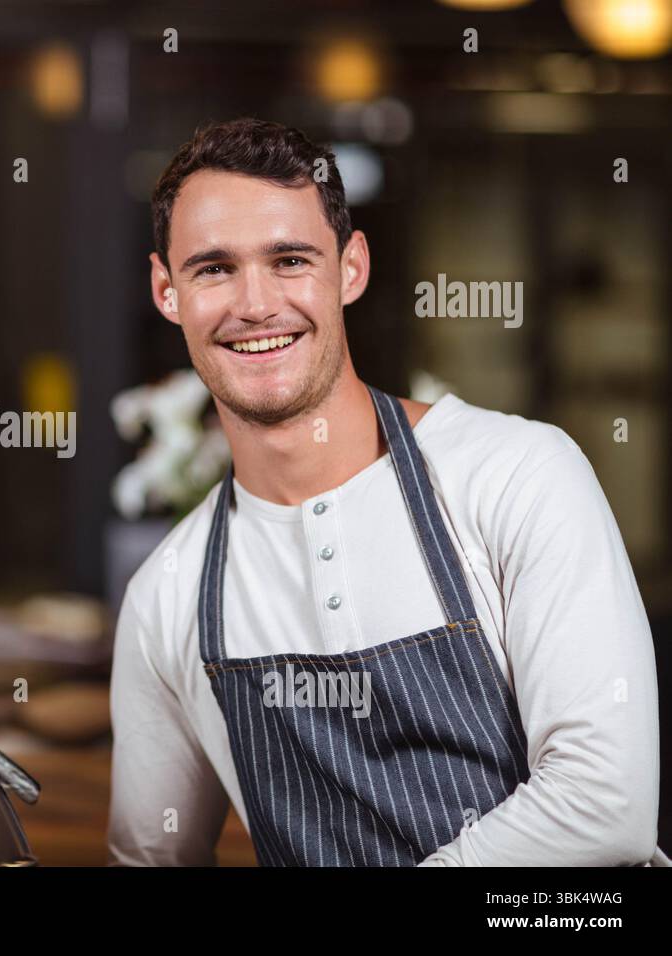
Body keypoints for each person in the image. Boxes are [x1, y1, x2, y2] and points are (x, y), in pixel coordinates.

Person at [107, 117, 667, 866]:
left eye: (290, 260)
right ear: (166, 292)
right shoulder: (165, 598)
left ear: (351, 269)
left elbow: (606, 808)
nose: (256, 303)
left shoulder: (519, 476)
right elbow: (151, 858)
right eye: (213, 269)